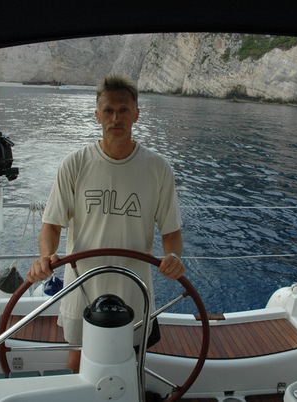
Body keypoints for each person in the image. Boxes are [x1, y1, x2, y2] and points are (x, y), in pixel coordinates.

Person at [27, 73, 185, 371]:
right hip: (81, 286)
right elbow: (52, 225)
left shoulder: (158, 168)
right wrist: (46, 256)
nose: (116, 118)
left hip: (134, 289)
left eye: (123, 110)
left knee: (131, 362)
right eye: (109, 110)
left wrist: (173, 257)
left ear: (136, 114)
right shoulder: (74, 164)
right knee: (77, 359)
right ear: (97, 115)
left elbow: (171, 232)